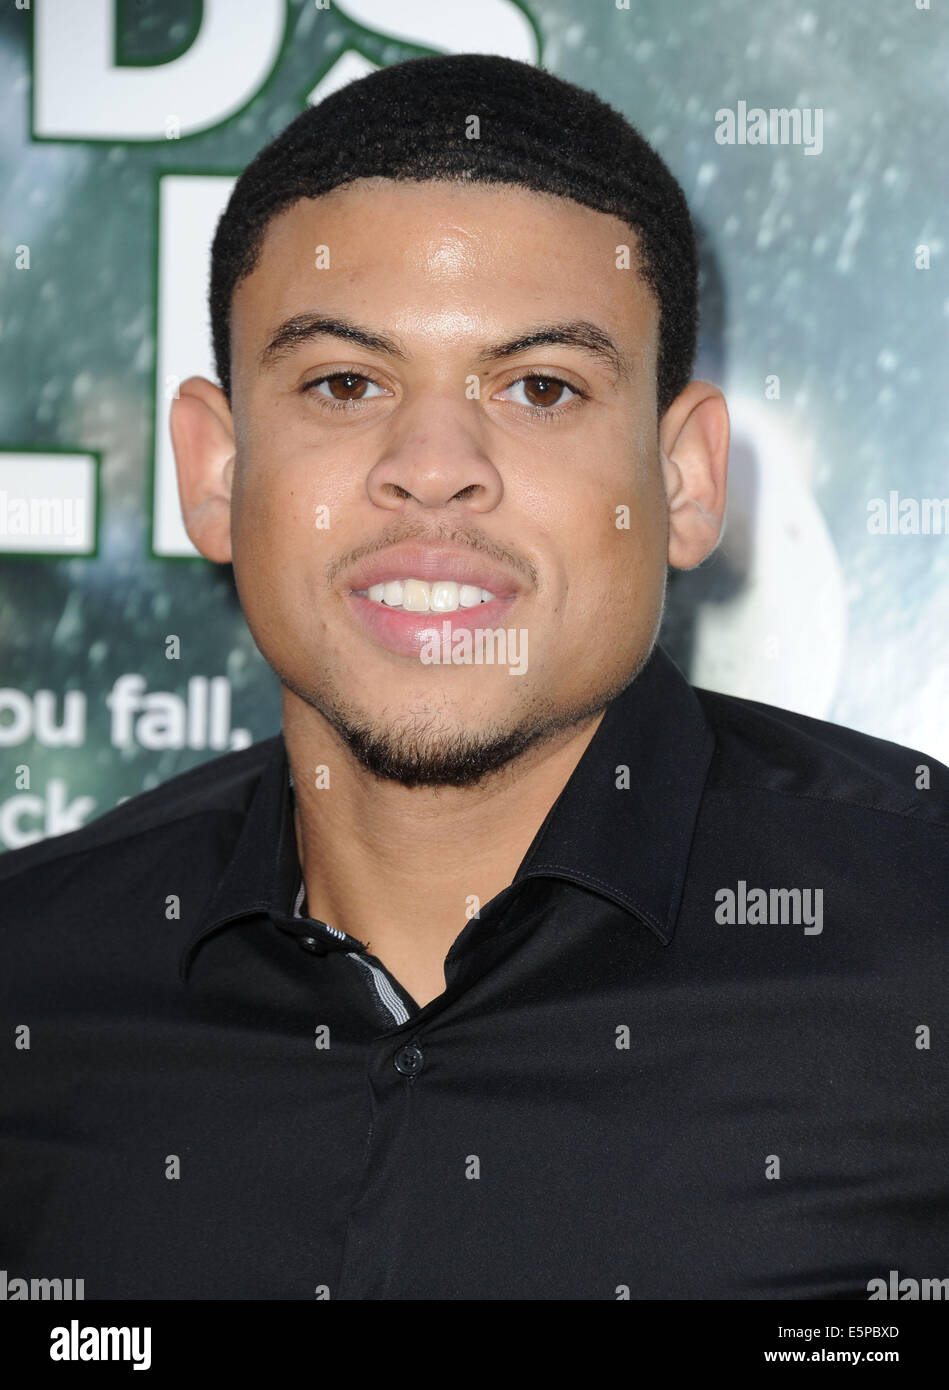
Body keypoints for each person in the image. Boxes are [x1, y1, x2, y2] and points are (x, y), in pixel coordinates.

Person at [1, 53, 946, 1301]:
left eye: (539, 387)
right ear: (215, 472)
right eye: (346, 383)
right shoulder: (32, 981)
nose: (434, 465)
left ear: (684, 481)